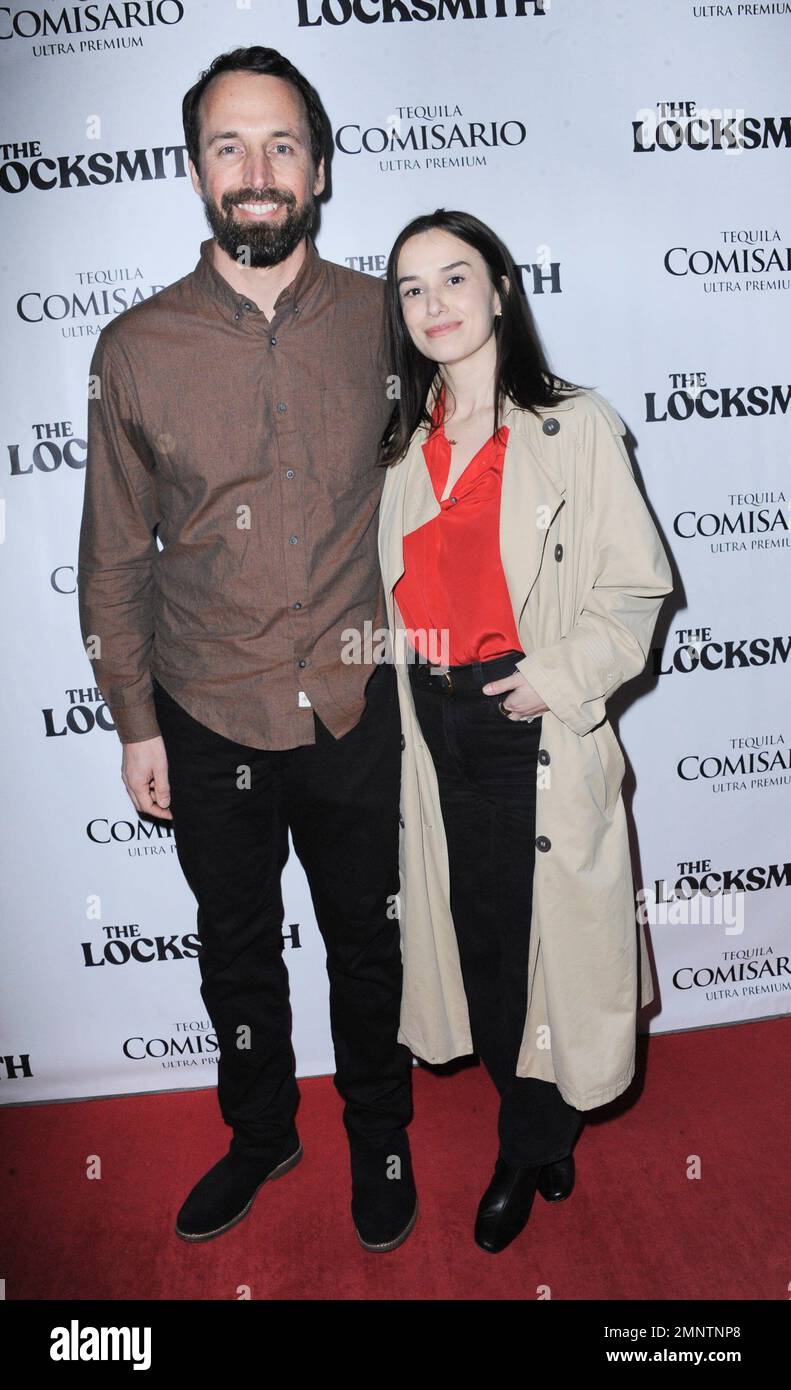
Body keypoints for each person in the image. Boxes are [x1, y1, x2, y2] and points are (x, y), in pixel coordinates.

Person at [77, 46, 417, 1253]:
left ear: (319, 170)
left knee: (367, 941)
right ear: (193, 171)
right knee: (235, 954)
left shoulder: (393, 319)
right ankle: (260, 1128)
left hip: (354, 698)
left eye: (280, 145)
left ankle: (380, 1132)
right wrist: (132, 722)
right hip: (206, 703)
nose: (256, 171)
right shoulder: (136, 348)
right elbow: (114, 555)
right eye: (230, 146)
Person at [377, 209, 674, 1253]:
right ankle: (538, 1125)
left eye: (454, 279)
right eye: (410, 289)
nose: (434, 305)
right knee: (480, 943)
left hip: (529, 722)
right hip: (434, 727)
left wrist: (547, 678)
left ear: (500, 288)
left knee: (538, 946)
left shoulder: (571, 424)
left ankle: (527, 1138)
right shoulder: (403, 449)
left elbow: (633, 594)